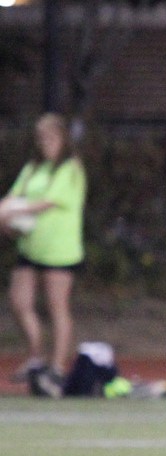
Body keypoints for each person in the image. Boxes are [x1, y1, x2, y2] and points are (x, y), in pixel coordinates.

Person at [0, 113, 87, 398]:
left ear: (63, 139)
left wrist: (14, 211)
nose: (46, 143)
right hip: (30, 246)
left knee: (56, 305)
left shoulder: (70, 169)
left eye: (51, 137)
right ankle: (35, 355)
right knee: (19, 301)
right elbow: (15, 195)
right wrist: (5, 213)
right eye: (41, 138)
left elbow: (46, 203)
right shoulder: (34, 167)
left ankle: (57, 366)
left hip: (59, 249)